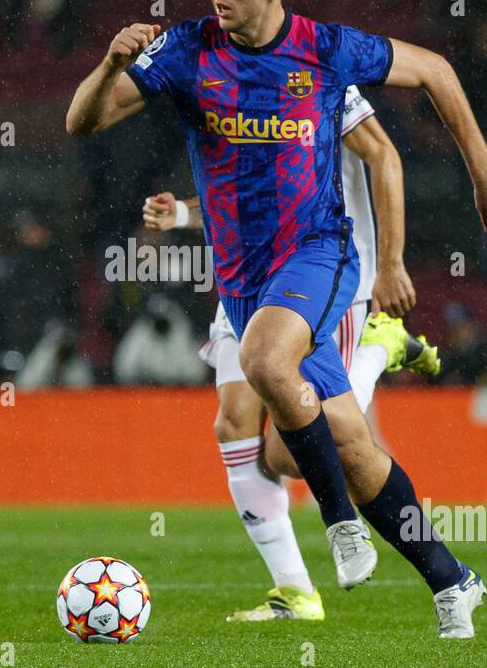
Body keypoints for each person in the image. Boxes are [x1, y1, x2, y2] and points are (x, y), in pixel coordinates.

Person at [67, 0, 487, 637]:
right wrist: (107, 65)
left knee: (259, 360)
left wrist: (484, 173)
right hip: (245, 281)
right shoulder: (188, 52)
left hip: (321, 256)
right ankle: (452, 578)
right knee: (339, 444)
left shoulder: (325, 50)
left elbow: (436, 72)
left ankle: (341, 527)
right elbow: (83, 123)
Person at [144, 87, 441, 624]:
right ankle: (295, 591)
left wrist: (390, 264)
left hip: (323, 280)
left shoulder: (322, 77)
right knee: (232, 423)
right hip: (246, 279)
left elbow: (383, 156)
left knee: (285, 456)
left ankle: (380, 347)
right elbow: (239, 193)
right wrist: (183, 218)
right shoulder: (232, 89)